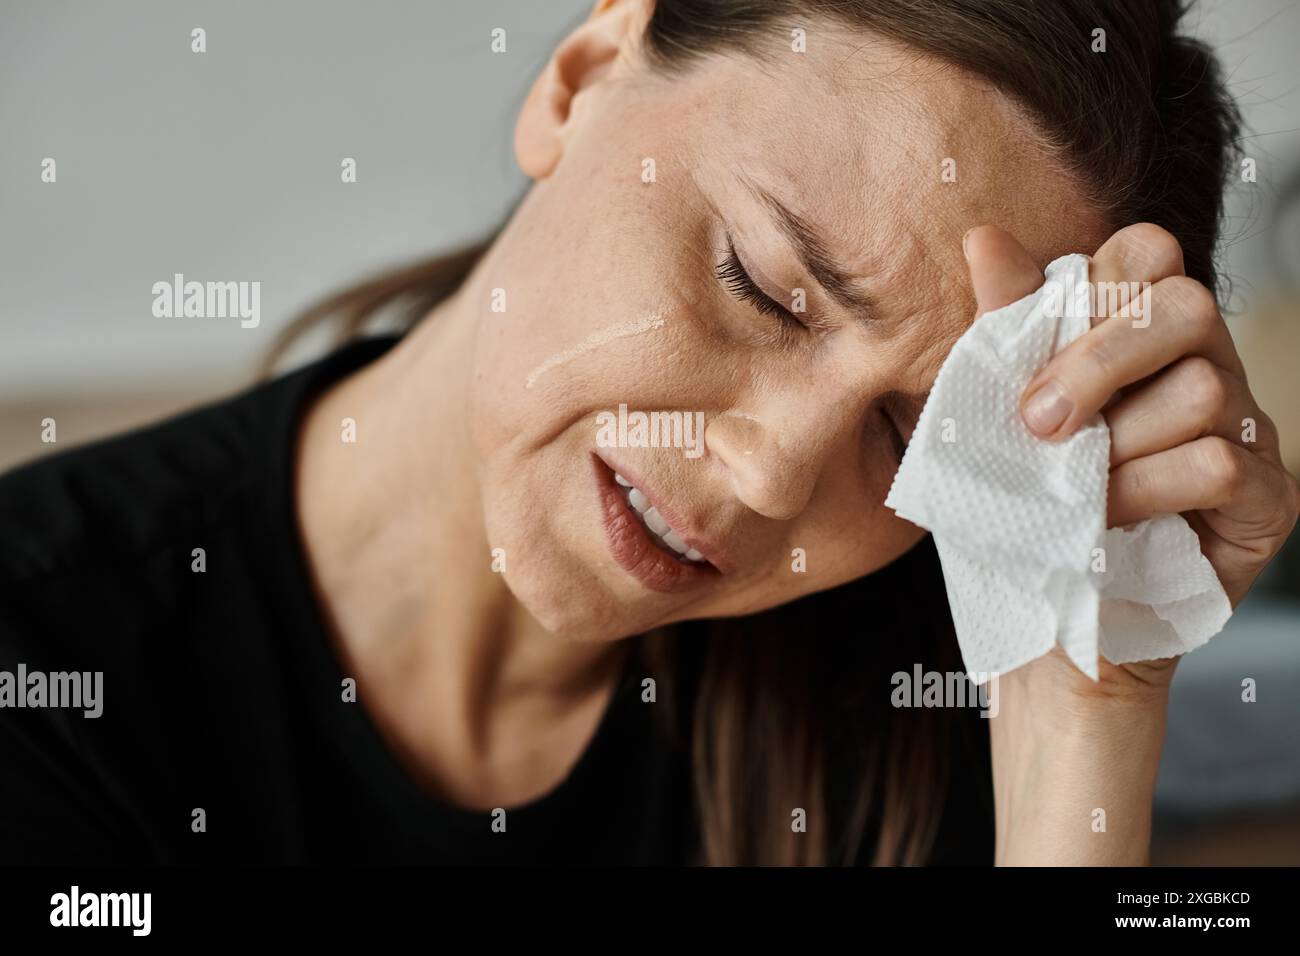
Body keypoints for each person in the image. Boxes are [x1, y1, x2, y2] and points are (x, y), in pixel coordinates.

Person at [1, 0, 1294, 866]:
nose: (777, 478)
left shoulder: (910, 697)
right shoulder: (51, 670)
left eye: (911, 438)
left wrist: (1085, 704)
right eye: (764, 284)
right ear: (578, 78)